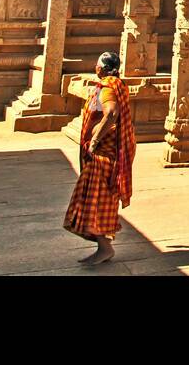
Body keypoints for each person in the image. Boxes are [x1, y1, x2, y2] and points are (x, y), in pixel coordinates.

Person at [64, 51, 136, 266]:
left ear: (101, 69)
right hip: (111, 153)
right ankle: (104, 247)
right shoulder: (118, 85)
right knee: (96, 200)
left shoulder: (107, 88)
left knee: (93, 201)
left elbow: (111, 113)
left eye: (97, 66)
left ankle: (104, 247)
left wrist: (94, 140)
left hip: (103, 155)